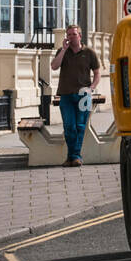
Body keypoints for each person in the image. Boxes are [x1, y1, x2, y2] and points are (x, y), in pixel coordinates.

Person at [50, 24, 99, 166]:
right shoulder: (62, 51)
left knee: (80, 126)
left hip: (84, 95)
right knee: (69, 126)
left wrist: (92, 88)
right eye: (69, 34)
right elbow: (54, 66)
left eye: (74, 34)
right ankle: (74, 156)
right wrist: (64, 50)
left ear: (80, 36)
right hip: (65, 95)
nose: (71, 37)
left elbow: (97, 73)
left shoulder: (89, 52)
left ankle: (73, 157)